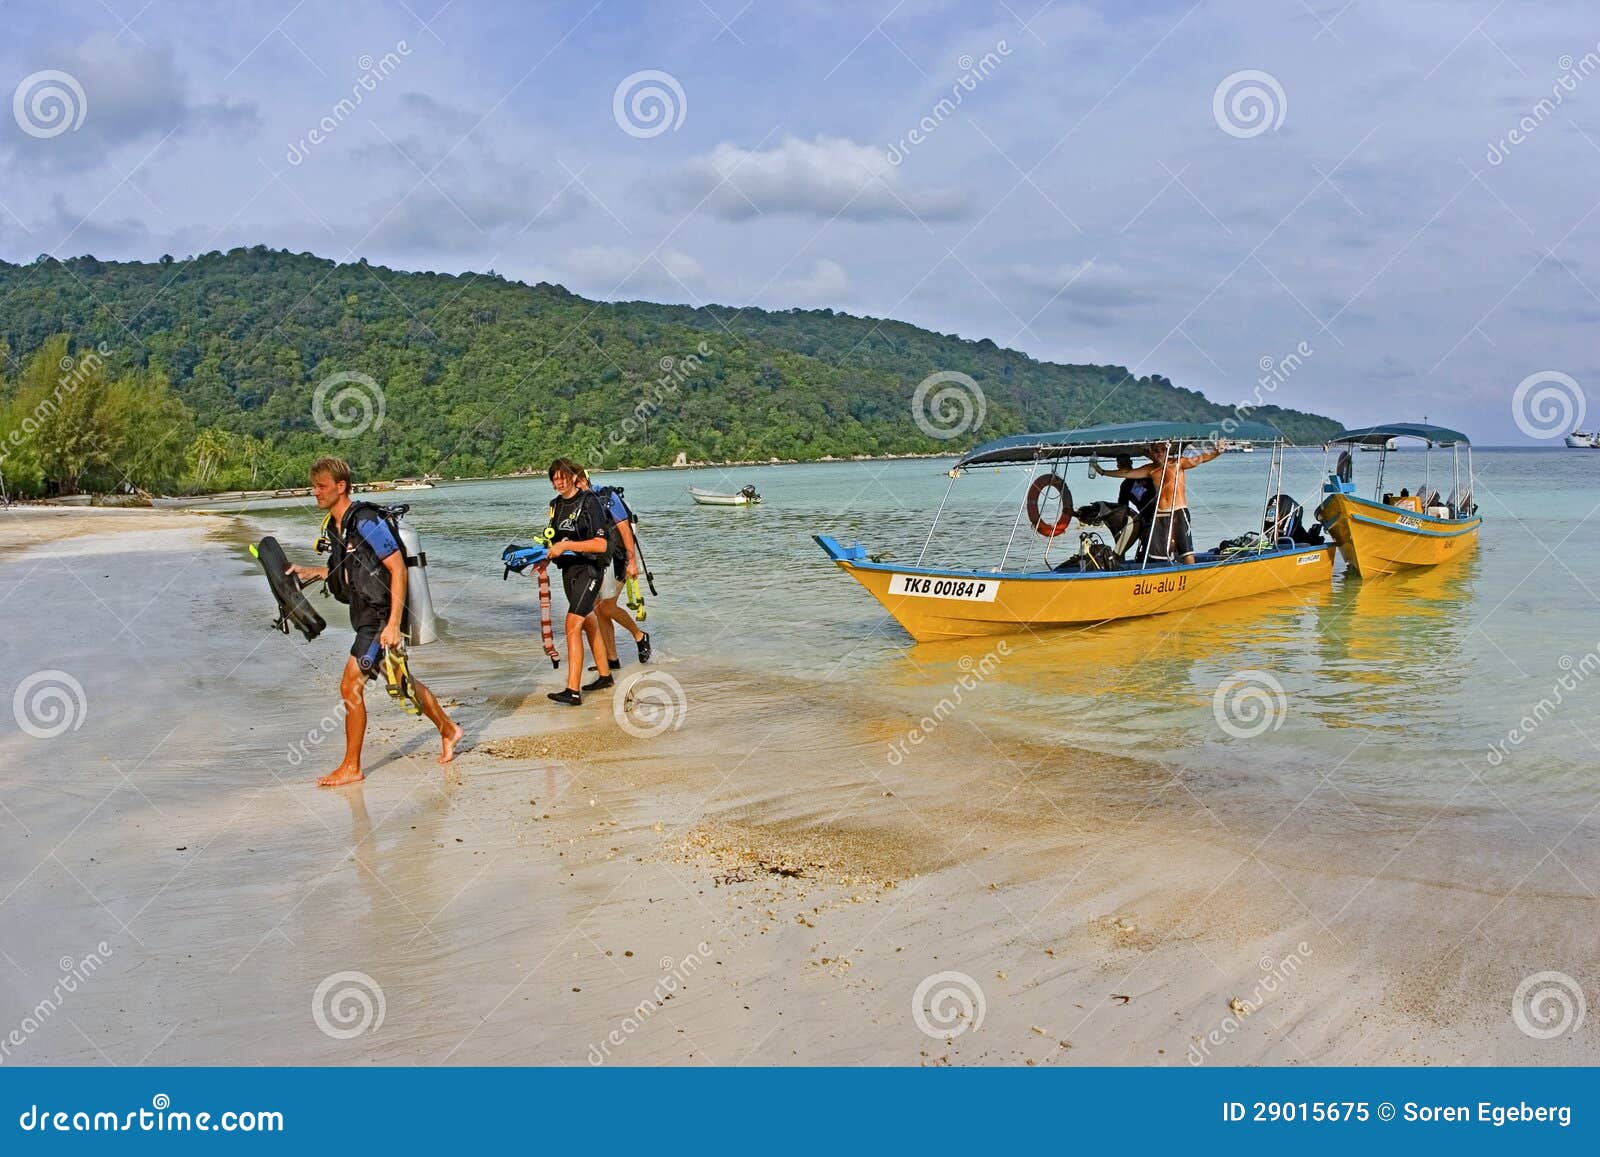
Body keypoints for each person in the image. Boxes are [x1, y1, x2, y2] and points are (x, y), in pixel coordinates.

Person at [286, 457, 461, 786]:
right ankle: (449, 729)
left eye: (322, 486)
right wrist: (313, 572)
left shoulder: (366, 521)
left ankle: (352, 766)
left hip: (380, 618)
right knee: (404, 683)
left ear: (341, 487)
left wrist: (394, 623)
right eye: (314, 486)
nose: (316, 493)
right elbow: (350, 574)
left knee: (350, 686)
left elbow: (397, 568)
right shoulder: (337, 528)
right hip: (365, 616)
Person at [543, 458, 614, 705]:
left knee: (572, 622)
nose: (559, 481)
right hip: (569, 572)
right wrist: (544, 557)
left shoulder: (589, 501)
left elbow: (601, 544)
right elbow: (553, 542)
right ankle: (605, 675)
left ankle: (573, 690)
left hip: (591, 569)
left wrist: (567, 545)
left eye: (563, 476)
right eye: (555, 478)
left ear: (574, 476)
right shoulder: (554, 506)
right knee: (588, 621)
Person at [1093, 441, 1223, 565]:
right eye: (1156, 451)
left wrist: (1218, 451)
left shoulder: (1178, 463)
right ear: (1152, 453)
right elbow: (1127, 473)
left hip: (1178, 511)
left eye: (1163, 450)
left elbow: (1200, 458)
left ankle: (1190, 574)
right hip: (1159, 514)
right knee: (1157, 552)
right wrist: (1102, 472)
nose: (1160, 453)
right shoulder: (1150, 470)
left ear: (1167, 451)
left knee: (1186, 550)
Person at [577, 467, 651, 669]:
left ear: (586, 480)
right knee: (599, 609)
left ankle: (640, 636)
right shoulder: (577, 504)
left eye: (579, 482)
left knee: (606, 606)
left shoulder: (606, 497)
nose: (577, 486)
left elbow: (624, 528)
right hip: (600, 560)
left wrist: (632, 561)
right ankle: (612, 659)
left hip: (620, 556)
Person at [1113, 453, 1157, 560]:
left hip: (1159, 509)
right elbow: (1123, 506)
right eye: (1120, 465)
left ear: (1131, 463)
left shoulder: (1145, 475)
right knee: (1143, 533)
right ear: (1118, 467)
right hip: (1145, 516)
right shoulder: (1125, 486)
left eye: (1125, 463)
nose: (1123, 466)